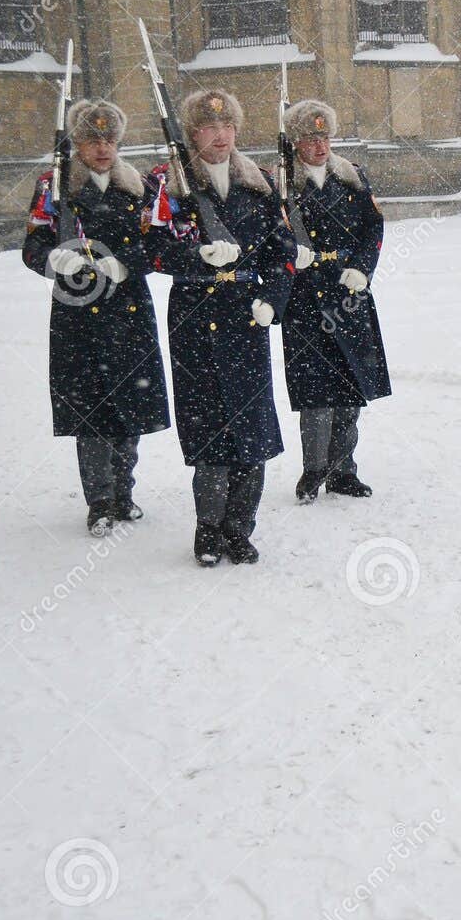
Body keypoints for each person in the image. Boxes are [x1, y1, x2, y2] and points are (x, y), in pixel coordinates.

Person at [144, 89, 298, 566]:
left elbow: (284, 250)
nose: (222, 136)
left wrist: (272, 300)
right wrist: (195, 255)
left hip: (246, 317)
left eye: (228, 127)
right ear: (192, 134)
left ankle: (240, 528)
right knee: (209, 428)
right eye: (211, 129)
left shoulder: (260, 182)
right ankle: (208, 529)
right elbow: (148, 248)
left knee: (251, 429)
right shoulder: (166, 184)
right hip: (195, 316)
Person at [22, 98, 170, 536]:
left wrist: (126, 262)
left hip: (128, 311)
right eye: (92, 139)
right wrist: (54, 261)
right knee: (91, 410)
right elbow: (31, 246)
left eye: (109, 138)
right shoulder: (55, 186)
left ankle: (124, 492)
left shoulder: (140, 186)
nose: (102, 147)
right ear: (77, 142)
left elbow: (159, 244)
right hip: (78, 314)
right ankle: (100, 500)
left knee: (131, 402)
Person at [280, 99, 392, 502]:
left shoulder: (351, 177)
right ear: (295, 142)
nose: (320, 145)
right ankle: (314, 471)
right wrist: (293, 252)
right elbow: (268, 235)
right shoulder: (281, 183)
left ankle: (344, 470)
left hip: (348, 291)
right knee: (316, 390)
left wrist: (363, 268)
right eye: (311, 138)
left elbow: (372, 227)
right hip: (306, 296)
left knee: (349, 385)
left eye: (324, 136)